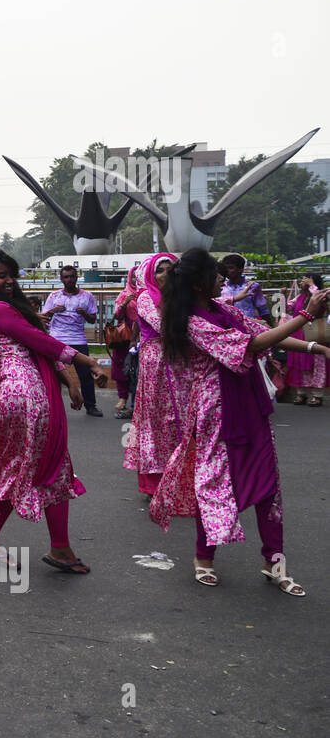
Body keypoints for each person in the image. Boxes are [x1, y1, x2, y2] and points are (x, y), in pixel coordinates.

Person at [151, 248, 330, 595]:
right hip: (216, 412)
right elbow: (251, 346)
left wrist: (315, 348)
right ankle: (203, 558)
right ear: (201, 283)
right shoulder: (192, 321)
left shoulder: (225, 310)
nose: (222, 278)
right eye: (216, 273)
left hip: (249, 404)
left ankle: (273, 562)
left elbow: (264, 333)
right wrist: (307, 313)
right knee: (215, 485)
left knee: (269, 487)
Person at [0, 250, 108, 574]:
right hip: (27, 394)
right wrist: (86, 362)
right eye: (0, 276)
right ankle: (59, 548)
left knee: (16, 467)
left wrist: (69, 380)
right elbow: (40, 341)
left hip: (14, 394)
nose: (8, 282)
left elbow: (38, 342)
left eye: (10, 275)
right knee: (54, 466)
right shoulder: (0, 309)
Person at [122, 254, 186, 497]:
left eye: (172, 269)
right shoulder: (146, 298)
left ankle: (183, 479)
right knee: (158, 421)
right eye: (161, 270)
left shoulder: (181, 297)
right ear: (150, 275)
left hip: (181, 361)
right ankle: (157, 484)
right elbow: (164, 326)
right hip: (157, 364)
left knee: (182, 419)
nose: (167, 274)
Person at [41, 264, 102, 417]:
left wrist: (84, 314)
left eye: (72, 276)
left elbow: (93, 319)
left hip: (78, 339)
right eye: (66, 277)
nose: (69, 279)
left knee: (85, 374)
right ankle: (50, 406)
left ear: (76, 278)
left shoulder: (87, 296)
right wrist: (53, 311)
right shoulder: (54, 296)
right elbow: (43, 318)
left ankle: (91, 406)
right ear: (61, 279)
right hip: (56, 339)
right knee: (52, 374)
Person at [282, 273, 327, 406]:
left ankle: (317, 395)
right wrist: (283, 296)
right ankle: (301, 393)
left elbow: (321, 300)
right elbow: (287, 308)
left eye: (307, 279)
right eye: (303, 280)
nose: (303, 282)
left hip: (315, 334)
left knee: (317, 365)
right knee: (299, 364)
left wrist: (312, 286)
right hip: (299, 334)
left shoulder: (320, 294)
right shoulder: (299, 297)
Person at [109, 264, 141, 418]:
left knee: (138, 369)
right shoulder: (124, 294)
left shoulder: (148, 293)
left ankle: (137, 401)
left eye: (139, 275)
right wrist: (125, 302)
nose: (136, 279)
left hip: (143, 335)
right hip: (125, 335)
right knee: (121, 366)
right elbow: (117, 316)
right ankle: (123, 397)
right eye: (134, 276)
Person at [219, 254, 275, 327]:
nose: (227, 271)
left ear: (240, 269)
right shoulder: (221, 287)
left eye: (230, 268)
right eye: (225, 268)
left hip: (249, 326)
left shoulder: (253, 286)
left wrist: (271, 328)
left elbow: (263, 310)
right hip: (228, 327)